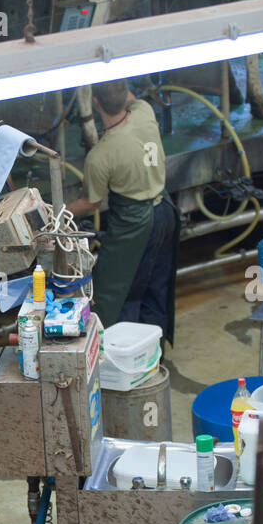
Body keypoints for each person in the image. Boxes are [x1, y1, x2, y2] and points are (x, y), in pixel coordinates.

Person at [65, 79, 179, 342]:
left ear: (95, 103)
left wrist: (56, 211)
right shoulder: (145, 113)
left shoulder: (101, 155)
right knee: (156, 286)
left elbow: (90, 203)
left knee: (121, 291)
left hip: (134, 224)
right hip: (165, 212)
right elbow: (130, 98)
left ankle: (123, 352)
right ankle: (154, 353)